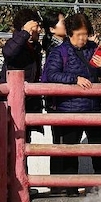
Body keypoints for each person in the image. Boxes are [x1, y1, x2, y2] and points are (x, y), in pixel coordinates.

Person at [42, 12, 101, 194]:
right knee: (70, 150)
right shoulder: (59, 52)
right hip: (69, 107)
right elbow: (51, 75)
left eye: (85, 34)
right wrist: (74, 79)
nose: (82, 38)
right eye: (79, 34)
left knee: (99, 147)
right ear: (70, 33)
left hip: (93, 106)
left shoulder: (92, 47)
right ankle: (71, 188)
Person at [0, 8, 44, 141]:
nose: (39, 30)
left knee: (23, 145)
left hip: (27, 103)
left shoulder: (35, 47)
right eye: (36, 26)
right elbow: (8, 52)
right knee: (7, 145)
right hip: (9, 104)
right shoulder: (17, 44)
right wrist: (24, 33)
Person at [41, 9, 68, 177]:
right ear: (52, 29)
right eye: (62, 23)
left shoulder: (57, 44)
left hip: (57, 99)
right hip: (56, 100)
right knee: (60, 139)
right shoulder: (55, 47)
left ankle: (59, 180)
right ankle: (59, 179)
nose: (66, 25)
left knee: (60, 139)